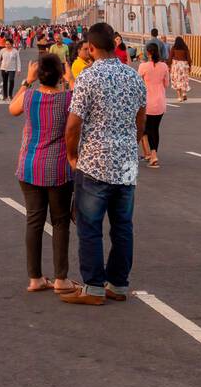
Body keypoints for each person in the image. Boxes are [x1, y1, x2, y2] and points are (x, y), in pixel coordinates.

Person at [60, 21, 146, 306]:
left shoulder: (88, 76)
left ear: (92, 48)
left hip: (94, 162)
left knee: (90, 225)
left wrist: (72, 156)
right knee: (123, 226)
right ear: (115, 45)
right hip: (126, 163)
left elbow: (73, 125)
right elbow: (141, 121)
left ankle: (94, 287)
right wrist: (128, 146)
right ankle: (118, 284)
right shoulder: (134, 77)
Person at [9, 53, 78, 294]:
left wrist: (26, 81)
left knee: (34, 221)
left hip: (29, 166)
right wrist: (71, 80)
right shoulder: (68, 98)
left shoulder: (29, 97)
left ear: (40, 76)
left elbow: (12, 109)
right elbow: (84, 105)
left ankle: (35, 278)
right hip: (58, 169)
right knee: (60, 223)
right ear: (60, 74)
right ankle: (61, 278)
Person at [138, 42, 170, 168]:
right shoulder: (164, 66)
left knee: (146, 129)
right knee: (154, 129)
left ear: (148, 52)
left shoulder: (143, 66)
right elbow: (166, 84)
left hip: (147, 102)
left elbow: (138, 83)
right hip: (160, 102)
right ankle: (152, 154)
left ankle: (151, 155)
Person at [169, 36, 192, 103]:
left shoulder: (174, 47)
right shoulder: (185, 47)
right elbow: (188, 58)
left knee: (177, 80)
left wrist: (169, 65)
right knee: (184, 79)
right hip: (184, 65)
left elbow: (170, 57)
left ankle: (179, 97)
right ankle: (184, 93)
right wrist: (190, 66)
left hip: (176, 66)